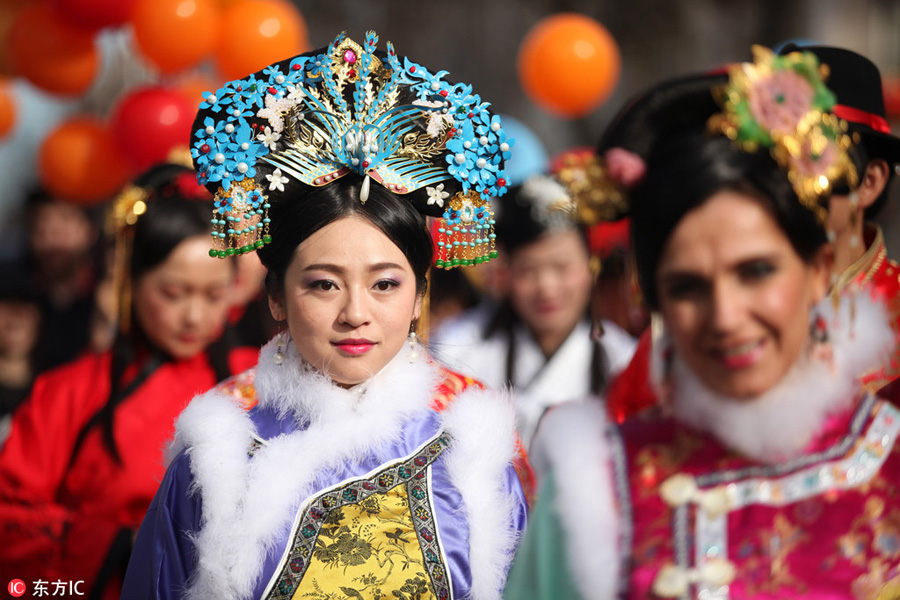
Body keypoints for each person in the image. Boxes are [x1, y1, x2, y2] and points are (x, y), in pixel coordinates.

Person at [123, 32, 529, 600]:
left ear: (419, 295)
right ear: (276, 296)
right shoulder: (215, 458)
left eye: (385, 284)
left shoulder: (474, 456)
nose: (355, 313)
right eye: (323, 285)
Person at [504, 46, 900, 599]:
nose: (727, 317)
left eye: (757, 272)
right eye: (687, 287)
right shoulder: (592, 493)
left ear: (817, 269)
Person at [0, 163, 258, 598]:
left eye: (214, 295)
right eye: (173, 293)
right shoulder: (70, 391)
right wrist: (121, 545)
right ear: (130, 281)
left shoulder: (261, 379)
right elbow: (9, 514)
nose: (194, 316)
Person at [432, 174, 635, 450]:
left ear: (591, 266)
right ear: (506, 272)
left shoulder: (623, 361)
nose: (547, 288)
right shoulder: (459, 349)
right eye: (528, 271)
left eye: (562, 267)